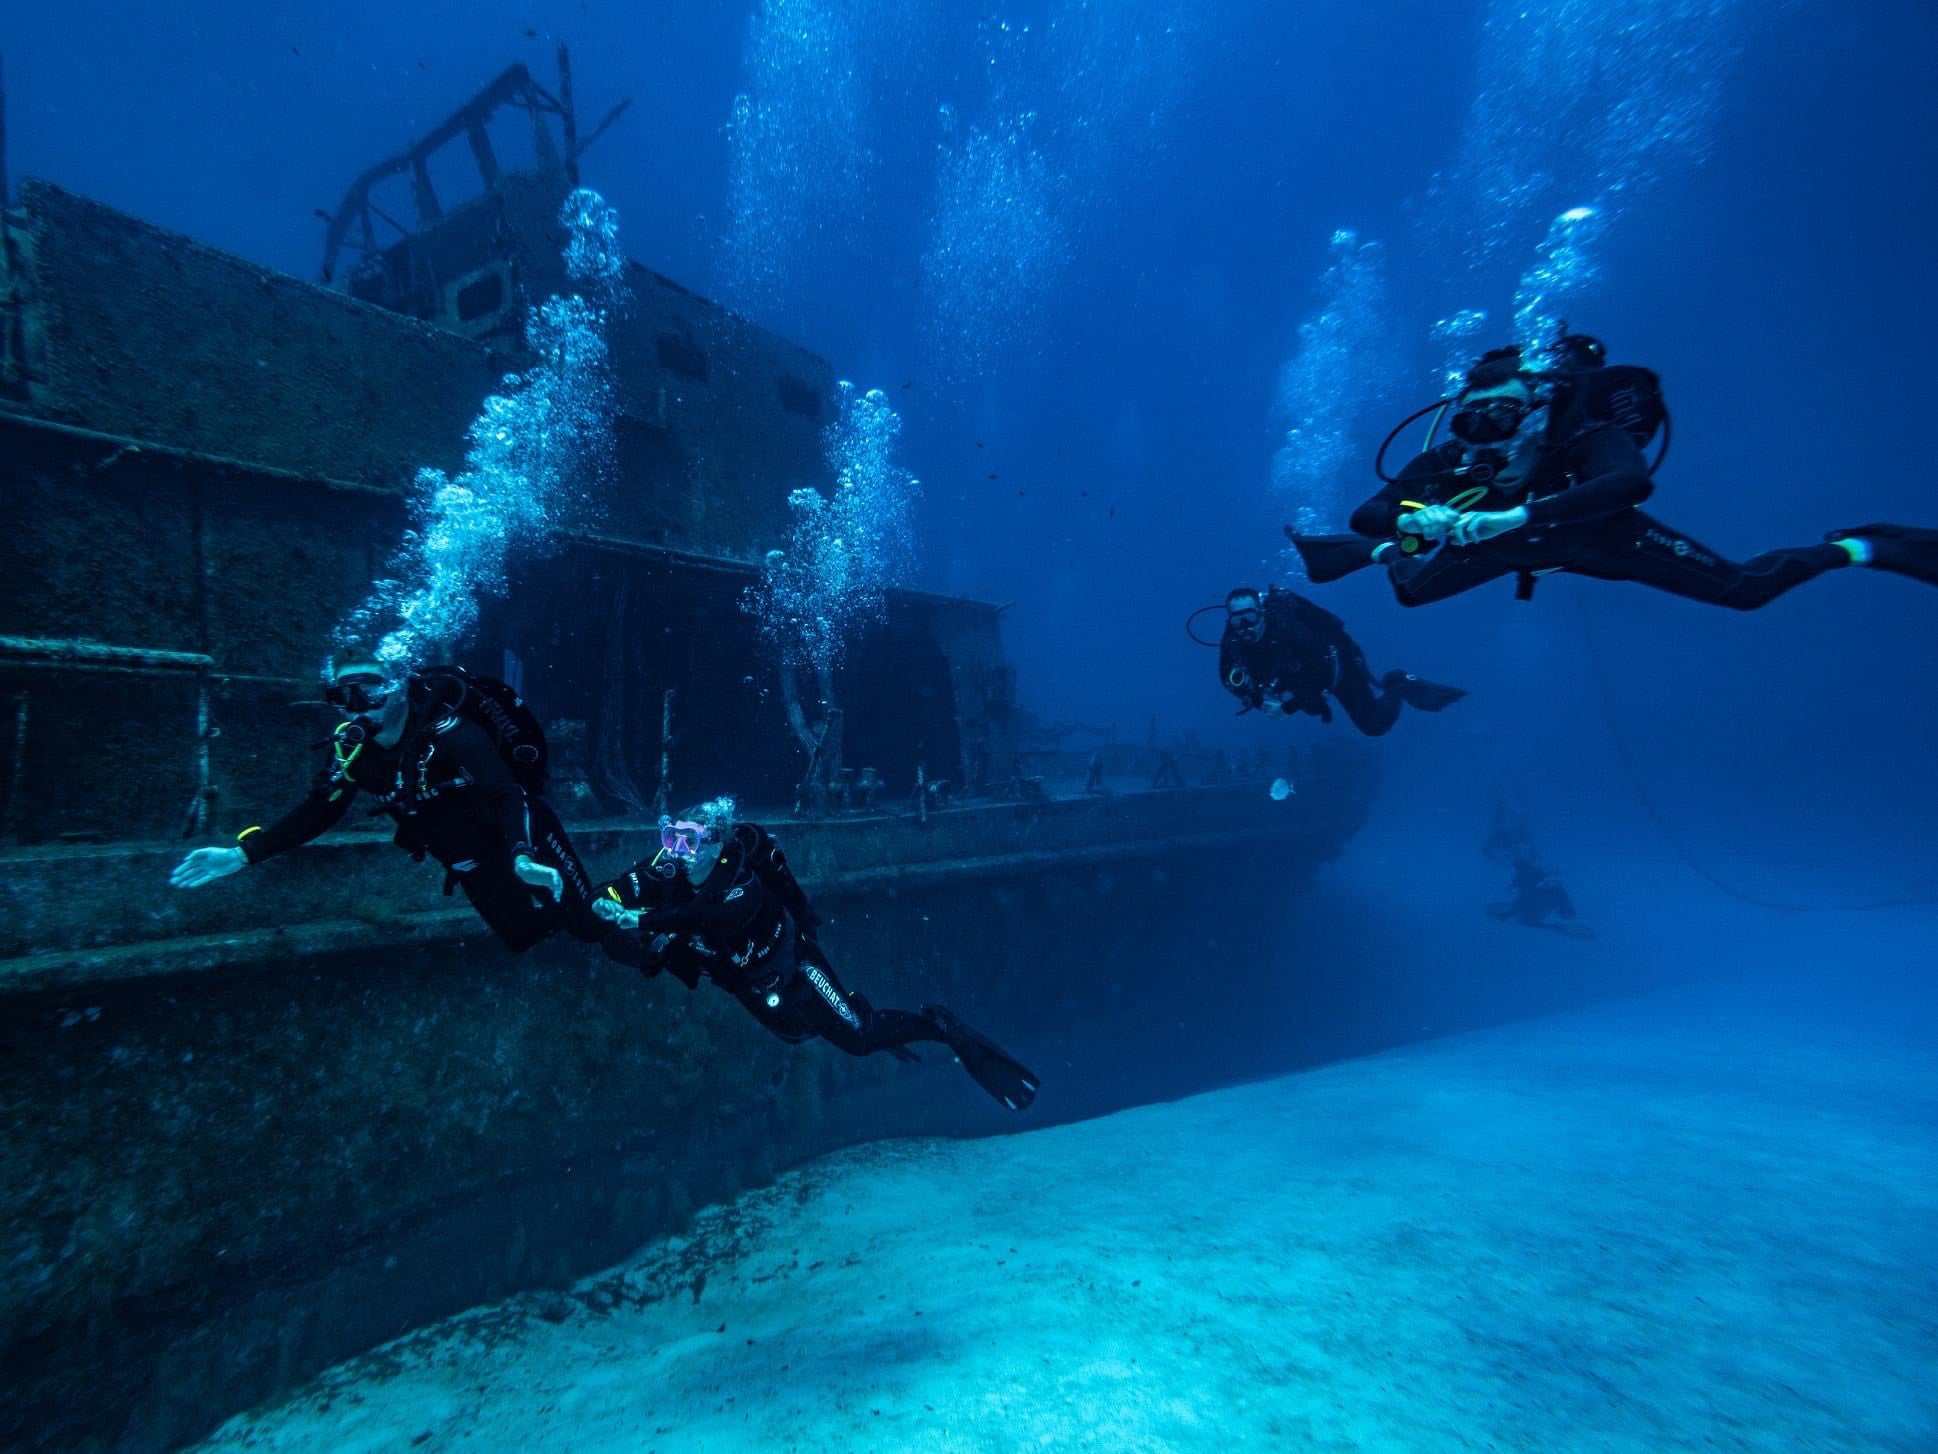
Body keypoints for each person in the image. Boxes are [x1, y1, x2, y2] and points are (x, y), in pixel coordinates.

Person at [1289, 335, 1938, 609]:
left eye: (1504, 415)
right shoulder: (1449, 460)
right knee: (1409, 588)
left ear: (1537, 407)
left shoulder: (1584, 440)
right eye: (1473, 418)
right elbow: (1366, 512)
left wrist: (1517, 513)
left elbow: (1631, 483)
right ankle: (1383, 557)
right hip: (1501, 549)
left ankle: (1866, 545)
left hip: (1602, 536)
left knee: (1746, 592)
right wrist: (1416, 518)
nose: (1487, 432)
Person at [170, 647, 648, 968]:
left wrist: (523, 855)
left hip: (523, 839)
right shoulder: (353, 752)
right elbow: (320, 812)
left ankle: (646, 903)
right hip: (469, 862)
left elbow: (508, 794)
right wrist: (241, 855)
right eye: (343, 698)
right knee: (523, 936)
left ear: (397, 687)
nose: (359, 709)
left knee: (588, 926)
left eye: (370, 692)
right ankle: (581, 912)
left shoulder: (451, 733)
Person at [594, 799, 1040, 1111]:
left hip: (795, 969)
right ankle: (860, 1013)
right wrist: (603, 900)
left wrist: (643, 921)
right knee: (797, 1035)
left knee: (858, 1039)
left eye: (688, 842)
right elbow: (619, 888)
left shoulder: (742, 888)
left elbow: (709, 919)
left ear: (713, 843)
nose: (677, 853)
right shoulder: (668, 866)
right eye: (670, 838)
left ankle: (939, 1026)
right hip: (751, 985)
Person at [1218, 585, 1466, 735]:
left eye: (1249, 617)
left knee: (1374, 726)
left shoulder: (1291, 631)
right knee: (1313, 706)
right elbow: (1228, 679)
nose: (1243, 626)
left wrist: (1286, 707)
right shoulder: (1233, 640)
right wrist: (1260, 702)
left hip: (1337, 667)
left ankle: (1398, 683)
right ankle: (1313, 702)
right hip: (1296, 678)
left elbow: (1323, 674)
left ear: (1261, 613)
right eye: (1236, 619)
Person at [1487, 852, 1594, 940]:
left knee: (1523, 918)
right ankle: (1554, 925)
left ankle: (1554, 926)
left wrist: (1508, 914)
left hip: (1540, 905)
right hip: (1545, 904)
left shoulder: (1533, 880)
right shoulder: (1540, 878)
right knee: (1526, 913)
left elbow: (1526, 897)